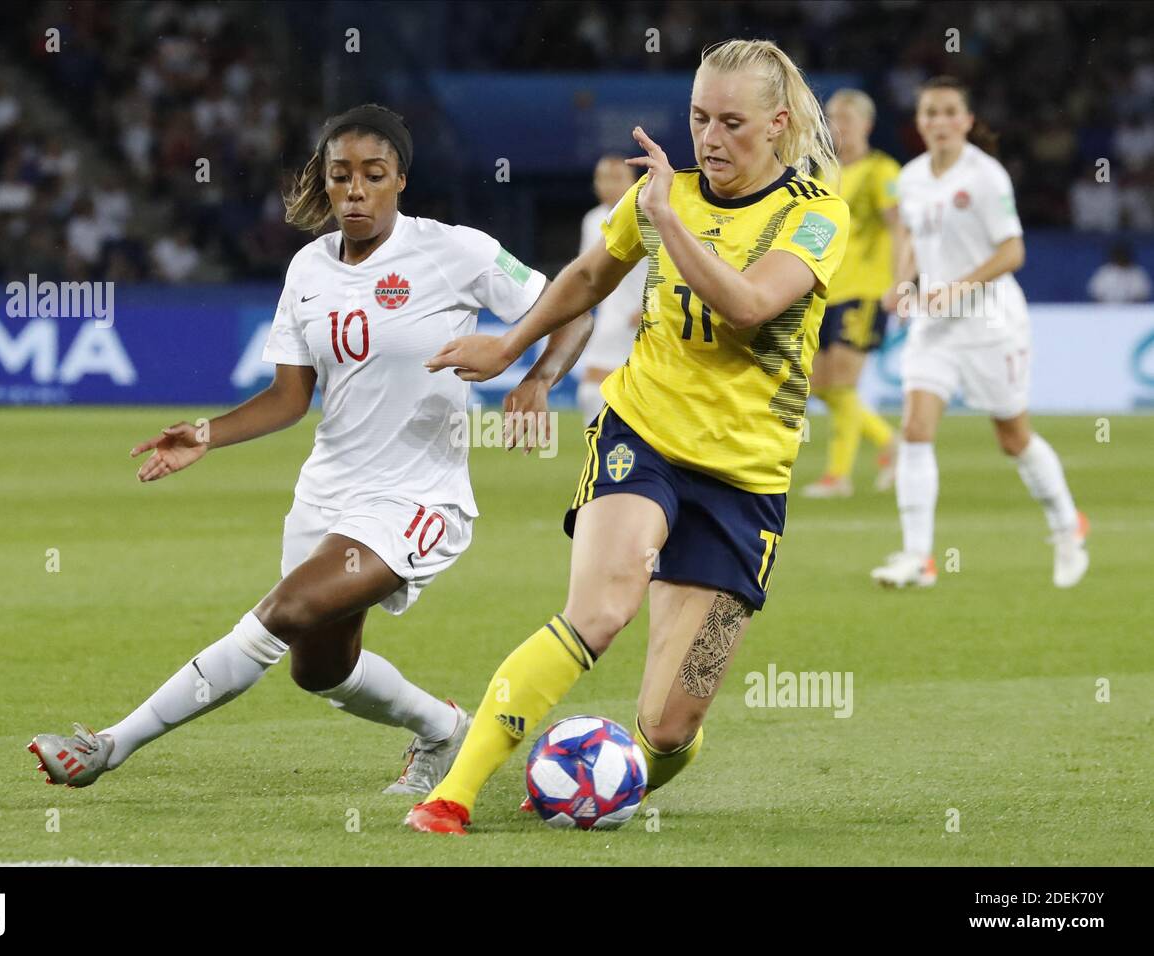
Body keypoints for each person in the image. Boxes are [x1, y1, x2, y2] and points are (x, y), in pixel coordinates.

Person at [28, 104, 592, 796]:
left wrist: (537, 378)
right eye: (341, 176)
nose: (356, 190)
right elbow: (289, 399)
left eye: (373, 175)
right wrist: (205, 433)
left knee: (284, 612)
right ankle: (444, 731)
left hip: (417, 498)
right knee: (318, 669)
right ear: (324, 183)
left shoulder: (454, 252)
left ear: (400, 182)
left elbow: (574, 307)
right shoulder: (308, 269)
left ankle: (109, 746)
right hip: (328, 492)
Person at [406, 39, 850, 835]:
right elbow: (584, 280)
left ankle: (615, 779)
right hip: (640, 436)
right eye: (697, 117)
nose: (709, 139)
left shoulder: (816, 215)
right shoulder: (660, 196)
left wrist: (668, 224)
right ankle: (451, 797)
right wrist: (518, 360)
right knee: (600, 611)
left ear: (779, 124)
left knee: (673, 724)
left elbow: (750, 304)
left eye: (732, 123)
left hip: (745, 484)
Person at [871, 77, 1088, 590]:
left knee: (1013, 439)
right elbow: (912, 239)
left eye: (950, 112)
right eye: (930, 113)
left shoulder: (987, 176)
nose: (939, 122)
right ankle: (919, 558)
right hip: (934, 325)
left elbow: (1013, 251)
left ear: (967, 121)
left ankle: (1067, 526)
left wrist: (959, 288)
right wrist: (900, 285)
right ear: (918, 122)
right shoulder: (912, 177)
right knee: (916, 430)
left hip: (991, 322)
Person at [802, 89, 900, 498]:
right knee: (821, 384)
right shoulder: (825, 174)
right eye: (832, 117)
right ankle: (891, 444)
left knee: (841, 382)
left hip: (865, 289)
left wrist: (899, 281)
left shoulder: (883, 171)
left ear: (867, 124)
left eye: (845, 117)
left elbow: (898, 227)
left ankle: (837, 476)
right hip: (825, 291)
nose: (836, 125)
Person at [576, 155, 651, 423]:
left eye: (616, 178)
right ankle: (602, 453)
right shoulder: (592, 220)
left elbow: (674, 265)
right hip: (611, 317)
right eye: (602, 178)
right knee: (590, 391)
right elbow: (586, 275)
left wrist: (650, 306)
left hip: (646, 318)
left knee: (644, 395)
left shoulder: (649, 213)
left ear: (632, 181)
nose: (608, 185)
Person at [1087, 242, 1152, 303]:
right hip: (1107, 310)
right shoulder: (1104, 271)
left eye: (1123, 256)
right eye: (1119, 256)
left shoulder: (1137, 272)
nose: (1121, 258)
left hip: (1132, 311)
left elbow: (1143, 295)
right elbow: (1095, 294)